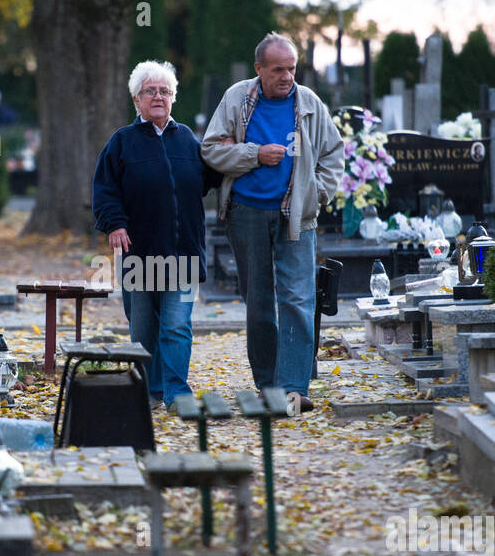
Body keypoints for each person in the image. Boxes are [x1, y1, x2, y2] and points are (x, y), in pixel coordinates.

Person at [201, 33, 344, 413]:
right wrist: (254, 154)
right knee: (259, 299)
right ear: (259, 69)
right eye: (278, 69)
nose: (287, 76)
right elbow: (210, 149)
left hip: (297, 216)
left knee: (298, 297)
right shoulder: (237, 98)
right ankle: (267, 386)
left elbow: (334, 153)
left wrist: (317, 194)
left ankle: (294, 388)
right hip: (246, 212)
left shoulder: (309, 103)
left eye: (292, 69)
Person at [92, 60, 214, 410]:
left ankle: (177, 394)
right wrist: (115, 223)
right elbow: (104, 189)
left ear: (173, 97)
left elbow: (210, 178)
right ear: (136, 99)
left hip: (183, 250)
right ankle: (149, 390)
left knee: (176, 325)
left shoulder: (188, 139)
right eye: (150, 91)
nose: (158, 96)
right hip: (139, 252)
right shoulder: (122, 142)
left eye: (165, 91)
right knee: (143, 328)